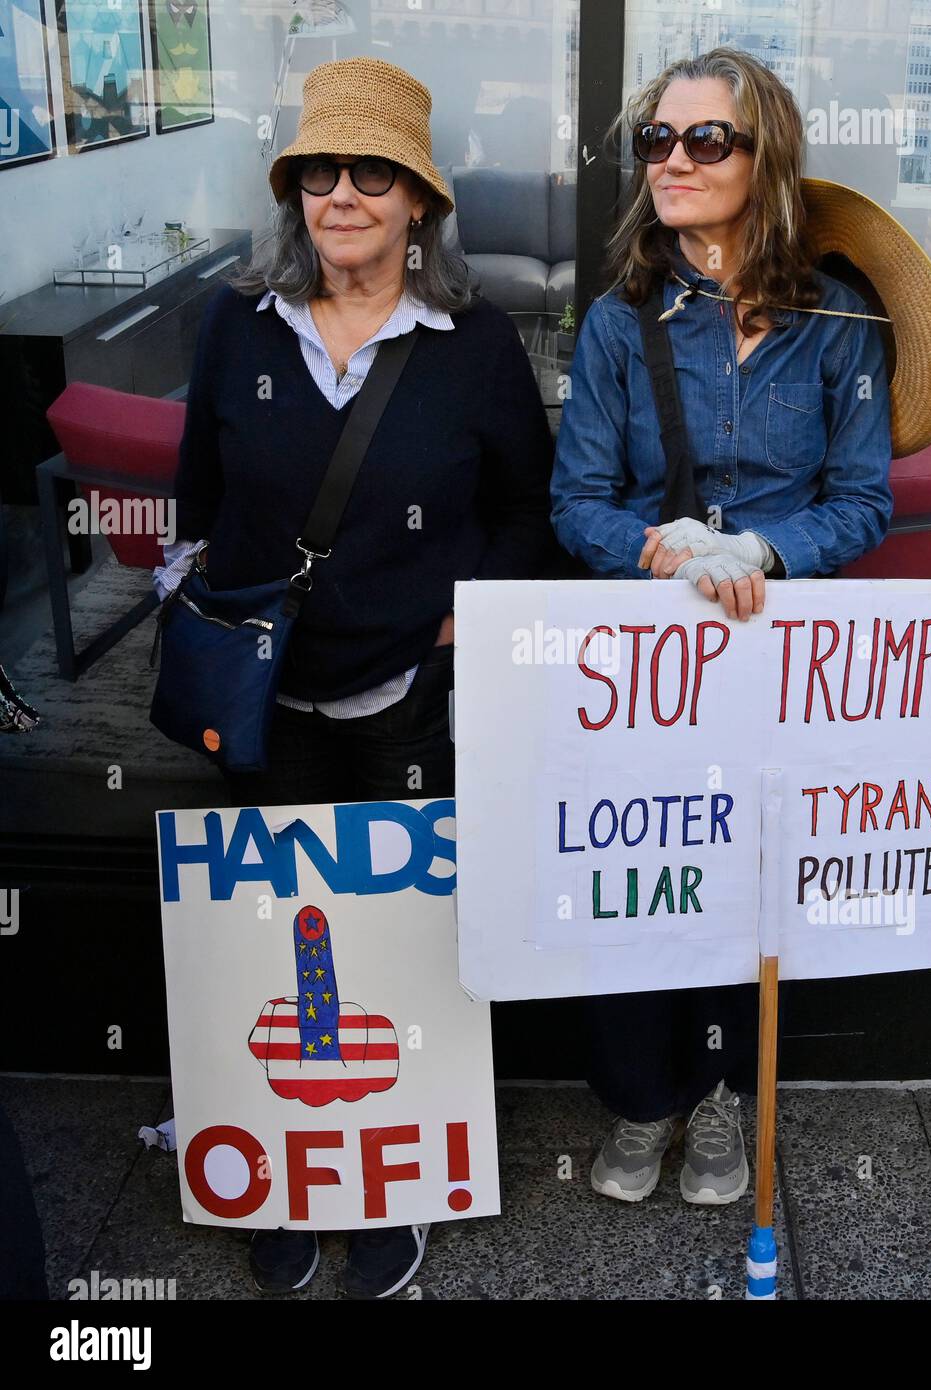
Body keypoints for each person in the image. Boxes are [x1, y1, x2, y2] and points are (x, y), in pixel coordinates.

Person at [155, 56, 554, 1296]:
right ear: (296, 195)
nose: (341, 194)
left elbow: (526, 513)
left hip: (402, 700)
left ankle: (386, 1182)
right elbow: (199, 499)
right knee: (266, 936)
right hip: (263, 701)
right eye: (319, 172)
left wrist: (447, 622)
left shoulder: (474, 342)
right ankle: (281, 1165)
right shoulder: (235, 322)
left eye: (369, 174)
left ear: (416, 202)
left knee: (396, 948)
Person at [550, 48, 892, 1206]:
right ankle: (639, 1104)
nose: (673, 160)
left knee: (751, 894)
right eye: (657, 139)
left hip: (781, 670)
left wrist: (767, 549)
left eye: (706, 139)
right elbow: (575, 501)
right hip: (651, 664)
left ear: (766, 157)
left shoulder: (840, 320)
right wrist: (664, 553)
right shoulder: (618, 323)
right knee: (641, 875)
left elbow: (863, 499)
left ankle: (722, 1105)